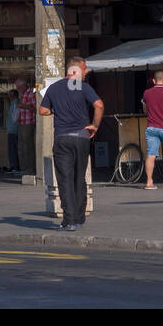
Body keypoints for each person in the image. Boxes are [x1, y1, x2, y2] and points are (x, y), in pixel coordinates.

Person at [39, 60, 103, 230]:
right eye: (84, 68)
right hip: (82, 137)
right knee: (79, 177)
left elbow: (42, 110)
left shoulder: (54, 88)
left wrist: (56, 110)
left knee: (65, 179)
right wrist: (95, 125)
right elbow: (99, 105)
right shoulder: (83, 87)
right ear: (74, 70)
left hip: (62, 139)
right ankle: (80, 218)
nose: (87, 71)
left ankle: (69, 220)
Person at [16, 77, 37, 177]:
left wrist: (23, 106)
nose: (18, 89)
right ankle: (23, 168)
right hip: (22, 122)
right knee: (21, 147)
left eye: (19, 87)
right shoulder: (23, 94)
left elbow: (35, 108)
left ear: (24, 86)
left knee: (28, 147)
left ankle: (30, 169)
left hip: (29, 123)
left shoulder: (31, 93)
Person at [6, 89, 21, 174]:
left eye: (10, 95)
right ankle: (14, 166)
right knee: (12, 148)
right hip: (12, 128)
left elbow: (15, 116)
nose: (9, 97)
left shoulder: (15, 103)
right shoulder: (14, 103)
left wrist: (12, 124)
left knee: (12, 148)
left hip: (13, 129)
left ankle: (14, 166)